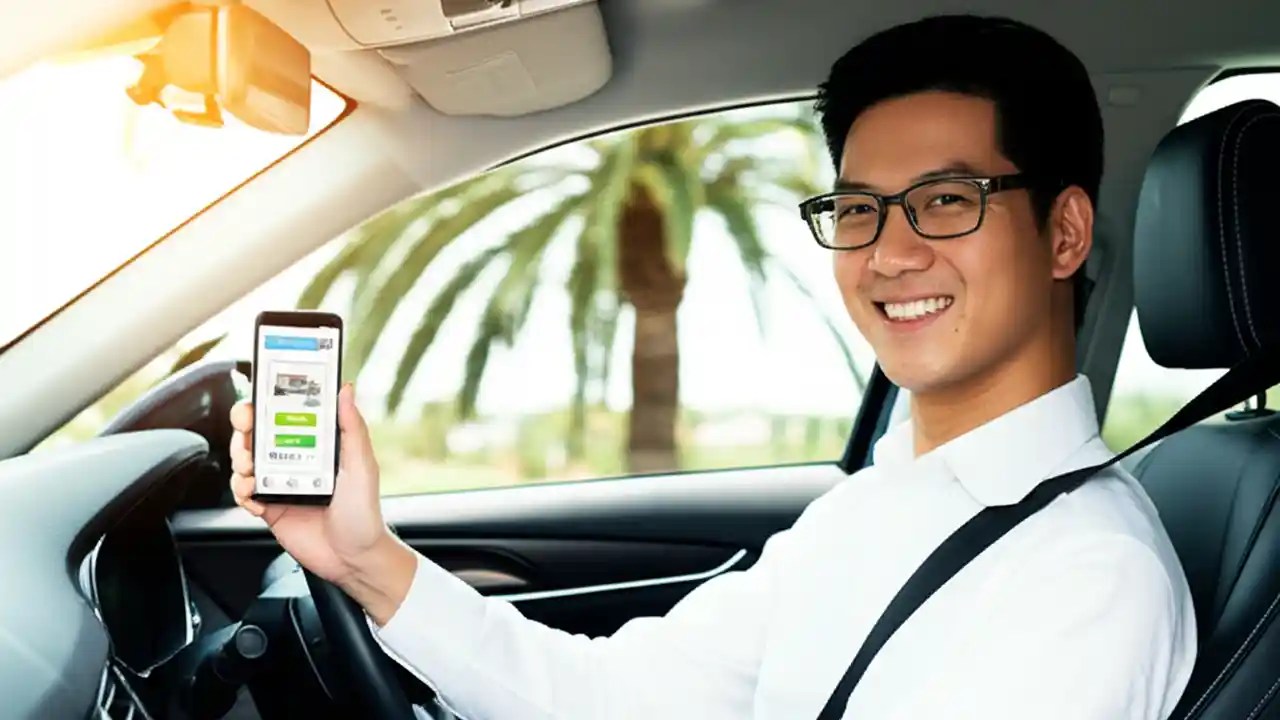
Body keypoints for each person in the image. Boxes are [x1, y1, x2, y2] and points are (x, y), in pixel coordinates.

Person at [229, 14, 1196, 719]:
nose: (888, 254)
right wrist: (365, 558)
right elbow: (613, 695)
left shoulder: (1088, 575)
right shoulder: (880, 501)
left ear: (1063, 233)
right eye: (858, 209)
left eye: (946, 201)